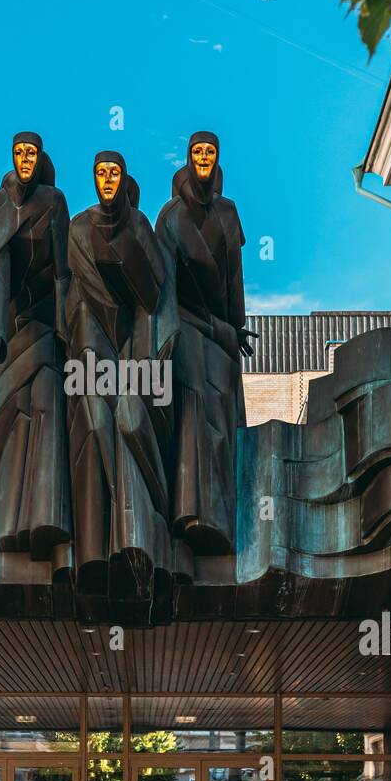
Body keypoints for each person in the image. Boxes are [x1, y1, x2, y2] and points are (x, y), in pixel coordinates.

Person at [65, 151, 178, 600]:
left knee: (129, 413)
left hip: (138, 347)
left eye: (114, 173)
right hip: (94, 341)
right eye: (101, 174)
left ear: (124, 180)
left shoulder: (139, 228)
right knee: (97, 416)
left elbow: (156, 295)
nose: (107, 180)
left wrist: (150, 360)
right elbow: (83, 298)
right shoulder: (78, 228)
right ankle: (102, 542)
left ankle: (140, 535)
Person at [155, 132, 256, 565]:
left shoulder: (229, 213)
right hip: (185, 323)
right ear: (188, 158)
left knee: (224, 408)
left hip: (221, 332)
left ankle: (223, 513)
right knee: (197, 401)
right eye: (197, 152)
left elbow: (235, 277)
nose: (203, 158)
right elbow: (164, 285)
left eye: (209, 152)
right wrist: (166, 332)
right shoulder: (171, 217)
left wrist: (238, 328)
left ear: (216, 160)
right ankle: (191, 511)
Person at [0, 131, 72, 561]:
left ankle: (45, 517)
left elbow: (63, 272)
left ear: (40, 157)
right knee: (11, 412)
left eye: (31, 152)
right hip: (12, 327)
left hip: (48, 324)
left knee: (47, 399)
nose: (25, 159)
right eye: (19, 153)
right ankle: (10, 525)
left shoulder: (54, 202)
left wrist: (66, 328)